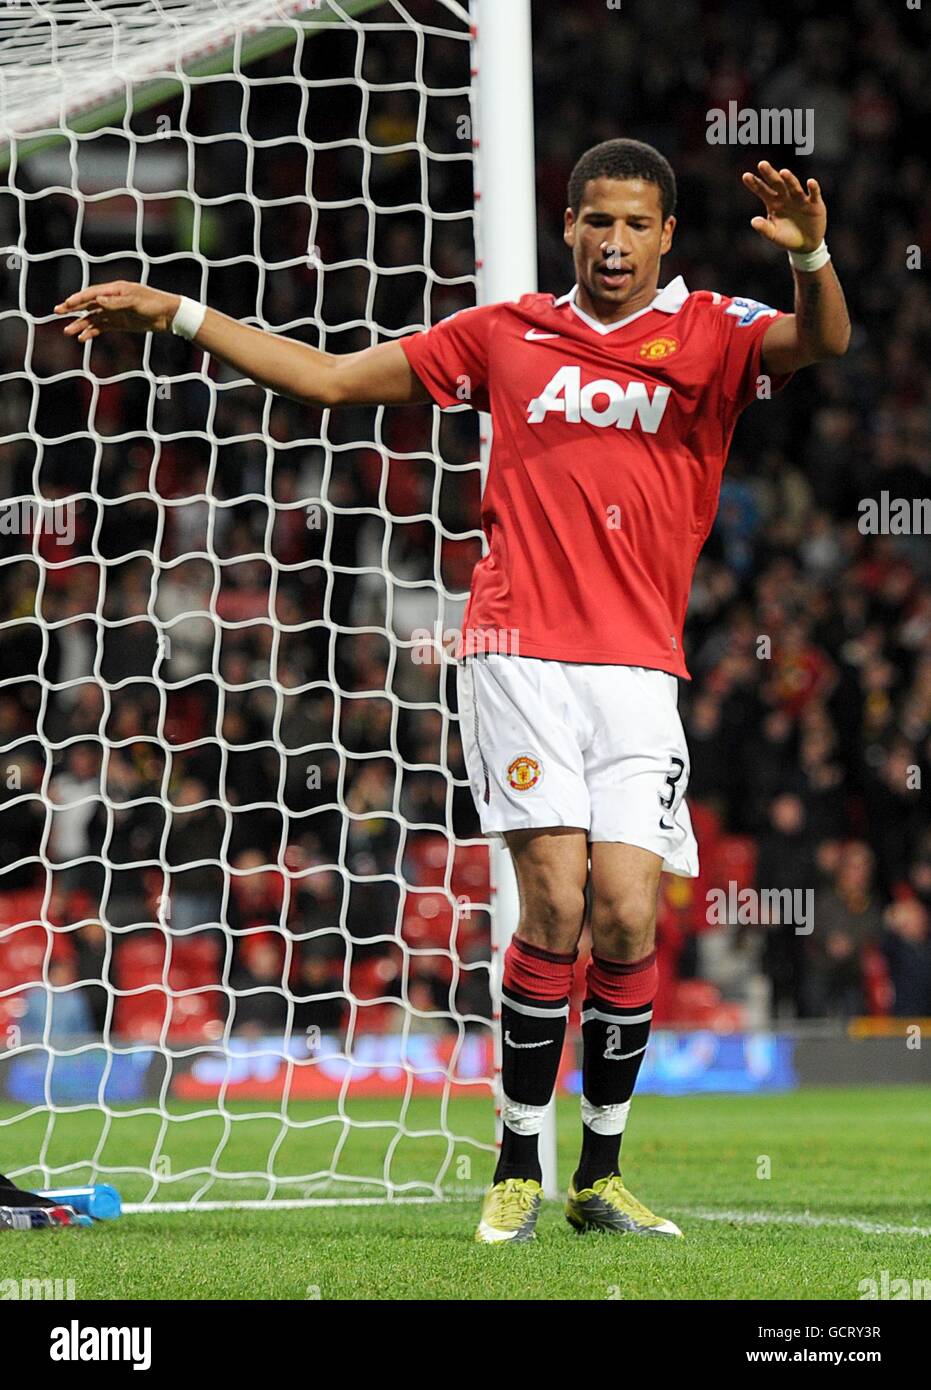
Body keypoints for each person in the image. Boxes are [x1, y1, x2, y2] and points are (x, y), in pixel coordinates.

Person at [53, 137, 851, 1245]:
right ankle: (519, 1159)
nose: (611, 241)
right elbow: (330, 381)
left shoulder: (711, 333)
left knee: (627, 915)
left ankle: (601, 1177)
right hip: (518, 647)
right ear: (567, 225)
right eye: (593, 220)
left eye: (633, 223)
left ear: (664, 234)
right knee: (558, 905)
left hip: (640, 667)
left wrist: (810, 257)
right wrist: (179, 314)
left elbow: (822, 341)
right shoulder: (505, 334)